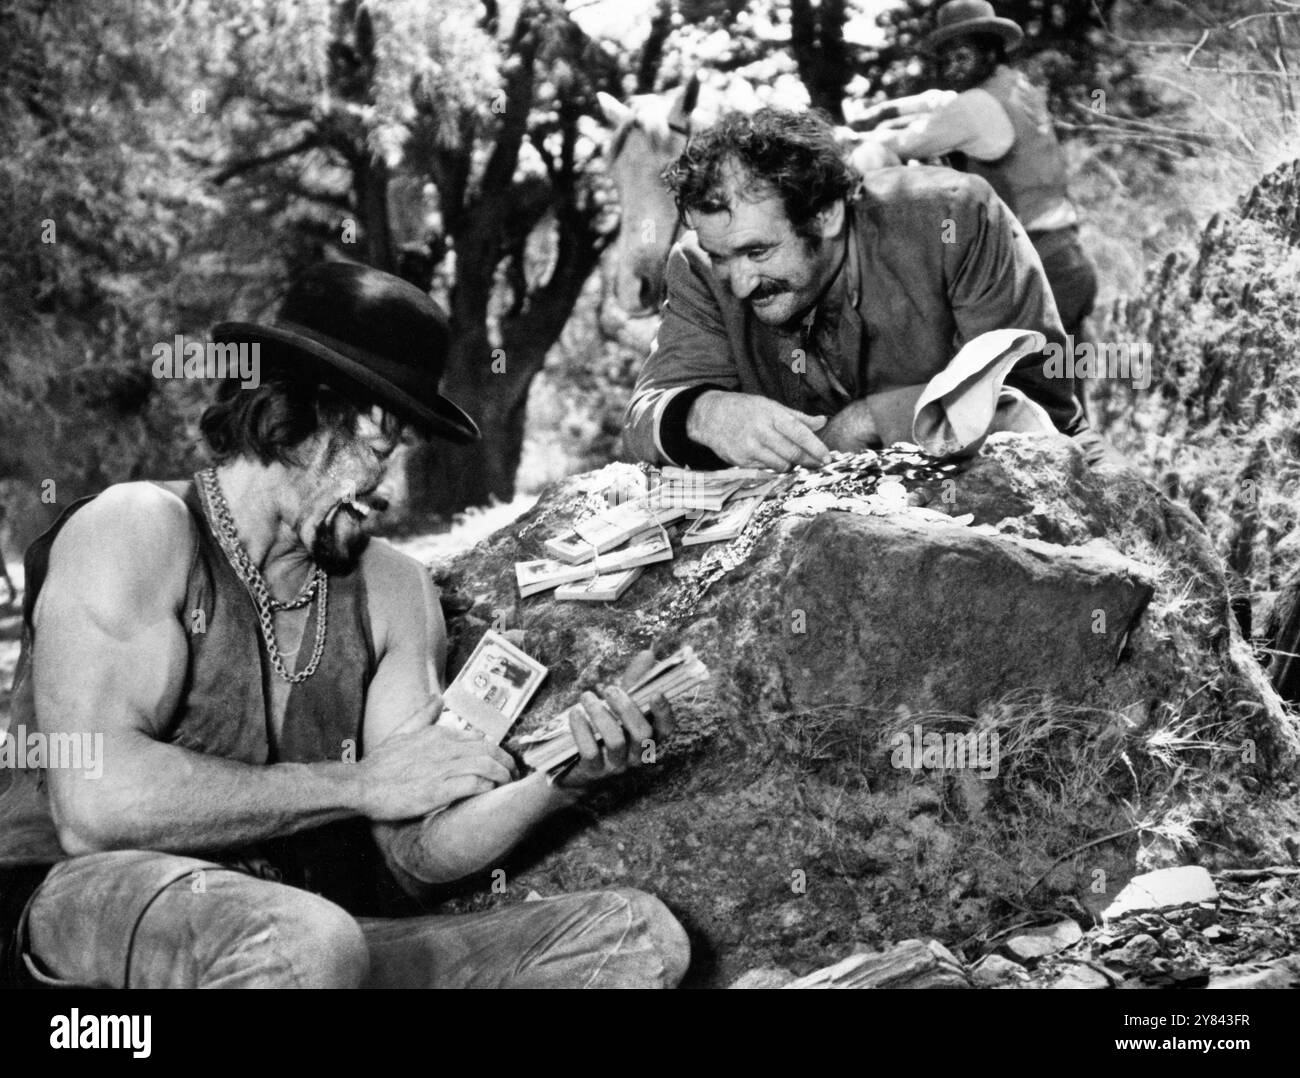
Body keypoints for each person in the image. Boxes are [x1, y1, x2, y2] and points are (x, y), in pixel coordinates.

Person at [0, 261, 690, 989]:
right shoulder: (136, 529)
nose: (391, 491)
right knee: (309, 942)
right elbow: (96, 805)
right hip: (90, 911)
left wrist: (559, 781)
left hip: (310, 943)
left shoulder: (393, 588)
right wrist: (358, 784)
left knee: (634, 936)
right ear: (301, 413)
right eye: (380, 449)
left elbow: (417, 849)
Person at [623, 107, 1101, 471]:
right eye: (723, 256)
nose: (741, 283)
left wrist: (875, 419)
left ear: (826, 215)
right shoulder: (697, 265)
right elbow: (646, 411)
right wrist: (704, 413)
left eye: (757, 252)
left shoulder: (953, 217)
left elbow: (1037, 394)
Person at [855, 0, 1098, 409]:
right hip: (1068, 259)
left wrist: (864, 139)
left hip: (1035, 268)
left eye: (961, 54)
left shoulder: (972, 106)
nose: (953, 65)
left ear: (990, 50)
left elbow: (908, 143)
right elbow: (942, 106)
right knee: (1065, 401)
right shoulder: (1019, 88)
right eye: (946, 58)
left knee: (1029, 404)